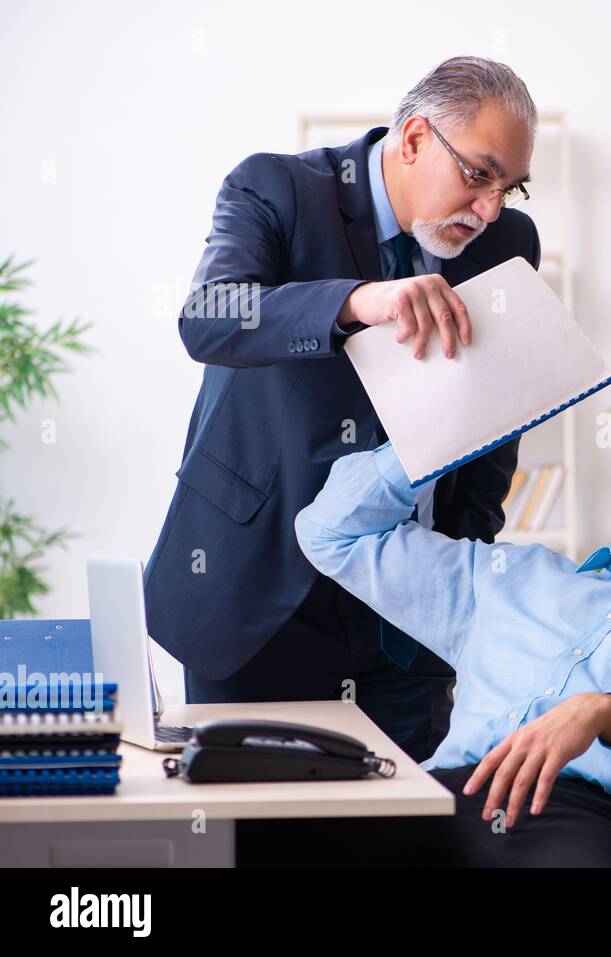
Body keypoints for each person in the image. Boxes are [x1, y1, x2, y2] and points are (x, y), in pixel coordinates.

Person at [143, 57, 539, 765]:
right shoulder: (279, 188)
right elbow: (209, 316)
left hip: (407, 607)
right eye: (479, 176)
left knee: (400, 830)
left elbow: (495, 420)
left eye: (510, 188)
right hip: (259, 591)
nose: (491, 210)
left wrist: (461, 559)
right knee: (250, 831)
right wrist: (355, 302)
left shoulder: (510, 245)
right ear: (414, 137)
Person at [243, 412, 611, 868]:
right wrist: (455, 421)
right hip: (446, 792)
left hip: (593, 821)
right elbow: (332, 533)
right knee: (250, 838)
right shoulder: (513, 578)